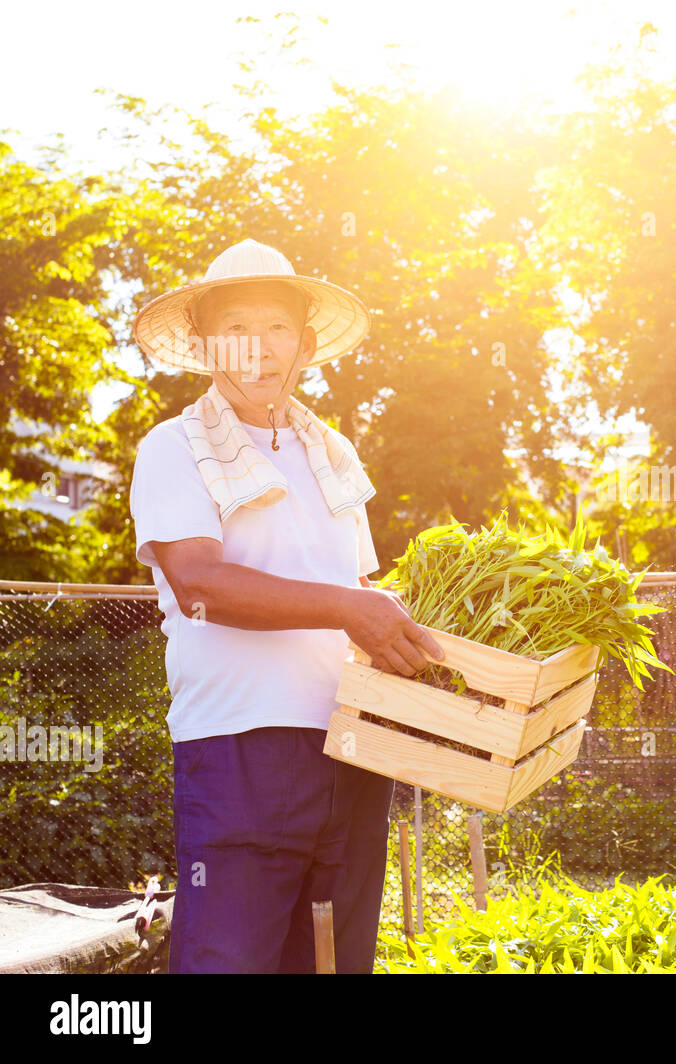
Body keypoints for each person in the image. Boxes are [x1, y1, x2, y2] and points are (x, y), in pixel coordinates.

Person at [129, 239, 443, 973]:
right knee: (227, 959)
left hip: (351, 746)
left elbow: (361, 592)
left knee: (335, 961)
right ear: (206, 346)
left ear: (304, 344)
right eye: (234, 327)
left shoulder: (332, 452)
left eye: (275, 328)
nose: (256, 349)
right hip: (239, 747)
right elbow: (200, 584)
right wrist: (347, 608)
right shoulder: (173, 447)